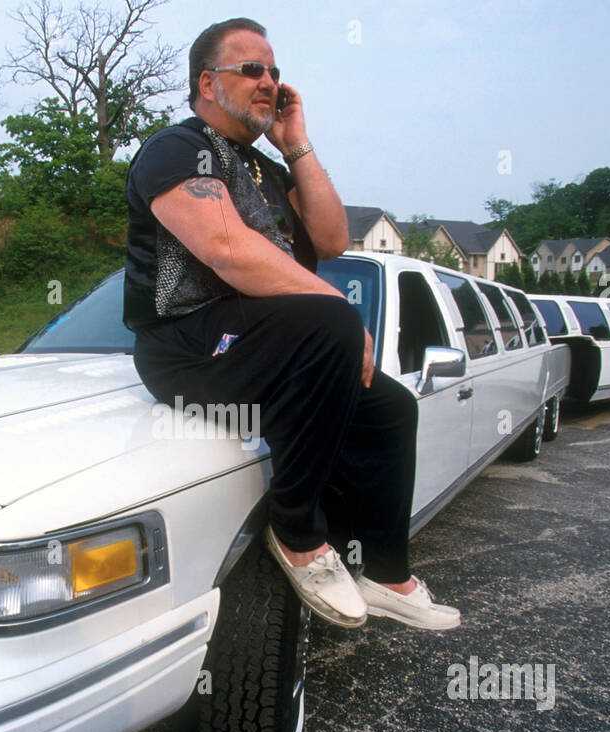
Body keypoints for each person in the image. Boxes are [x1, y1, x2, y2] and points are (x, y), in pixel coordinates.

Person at [123, 17, 460, 631]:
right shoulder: (177, 149)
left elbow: (331, 238)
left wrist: (295, 142)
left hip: (257, 342)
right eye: (251, 69)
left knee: (389, 409)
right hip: (186, 343)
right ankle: (298, 533)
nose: (269, 81)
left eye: (275, 71)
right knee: (328, 317)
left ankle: (385, 573)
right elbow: (227, 250)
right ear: (206, 82)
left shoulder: (269, 171)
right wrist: (341, 312)